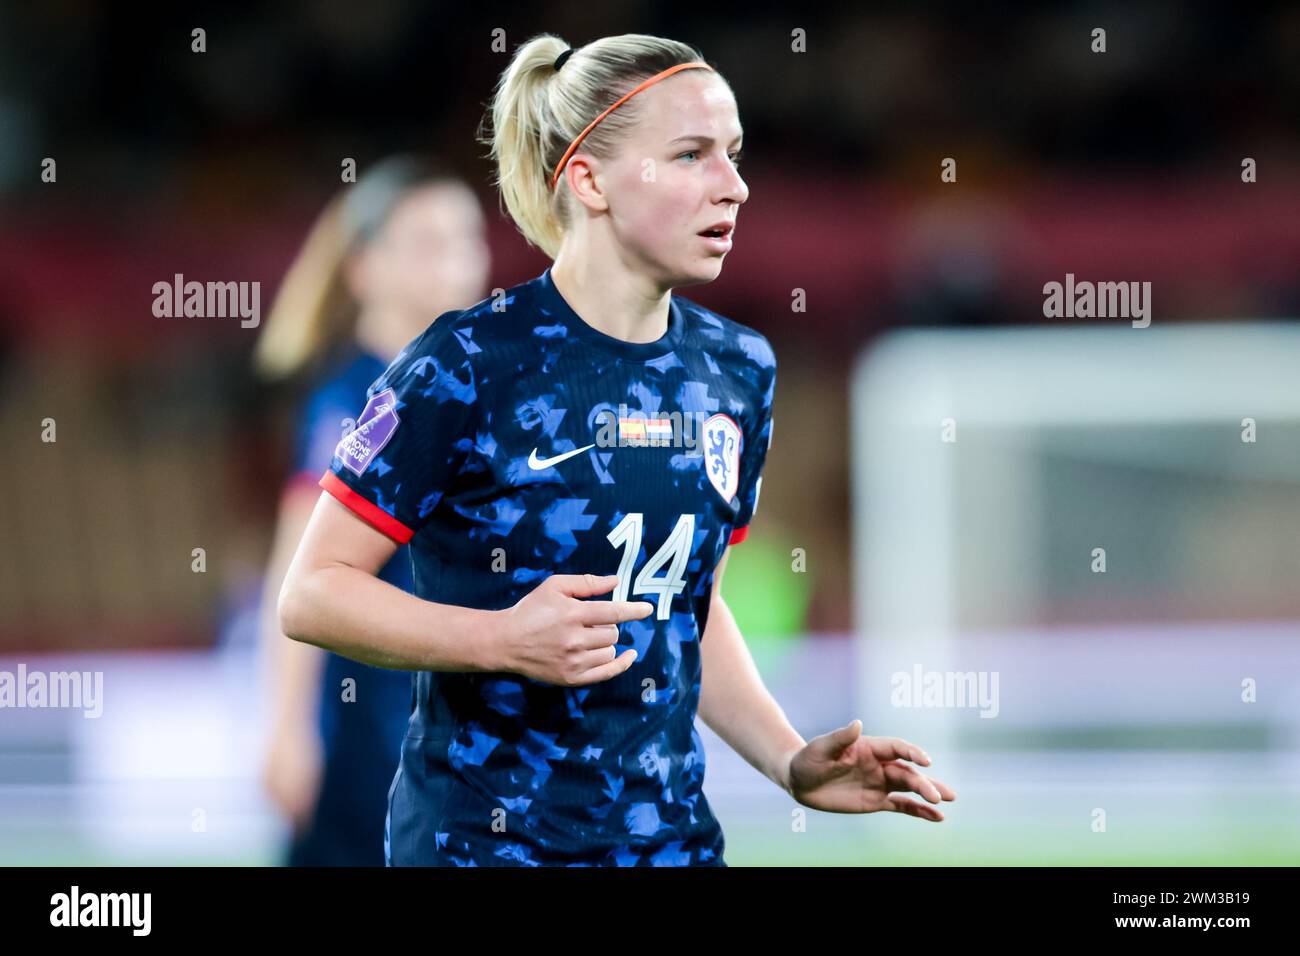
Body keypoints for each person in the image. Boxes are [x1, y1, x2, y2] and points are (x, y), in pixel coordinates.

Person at [278, 33, 954, 867]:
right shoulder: (466, 364)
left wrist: (787, 759)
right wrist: (500, 640)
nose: (734, 186)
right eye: (691, 155)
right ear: (589, 179)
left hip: (671, 846)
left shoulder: (738, 371)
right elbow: (311, 593)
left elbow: (685, 604)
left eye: (734, 155)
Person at [254, 156, 490, 865]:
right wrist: (288, 728)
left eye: (467, 239)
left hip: (452, 720)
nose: (456, 262)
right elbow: (295, 573)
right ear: (364, 269)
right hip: (366, 728)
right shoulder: (354, 402)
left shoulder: (473, 390)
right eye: (428, 243)